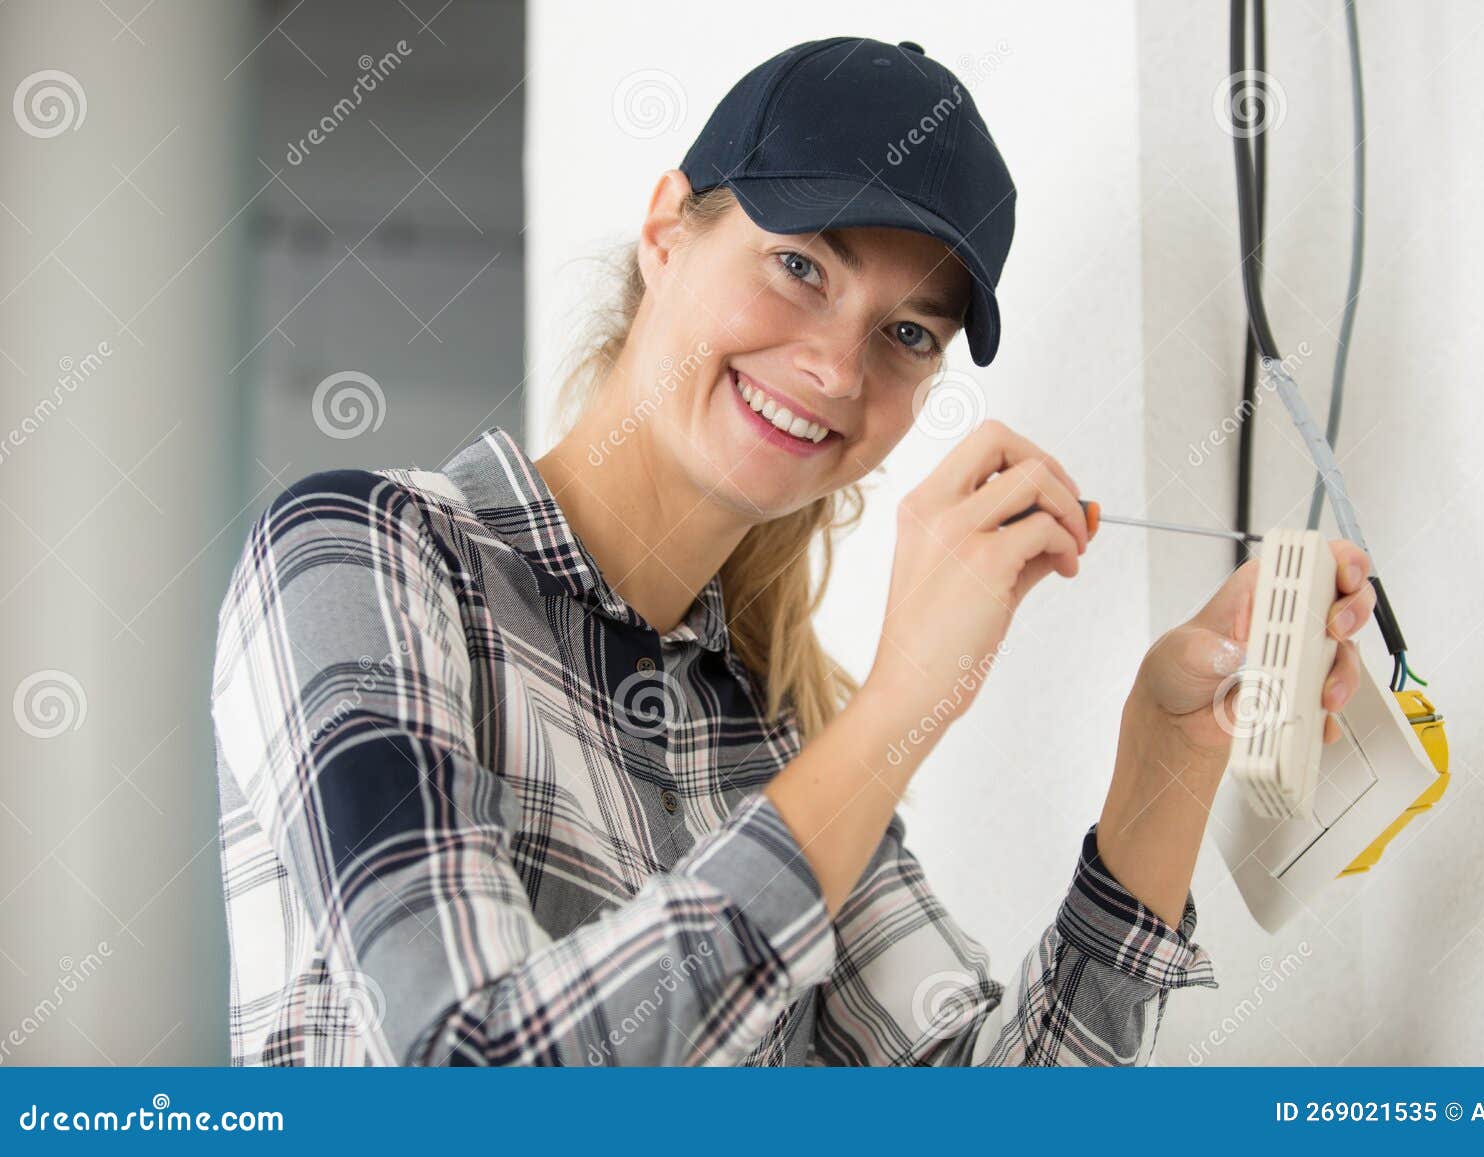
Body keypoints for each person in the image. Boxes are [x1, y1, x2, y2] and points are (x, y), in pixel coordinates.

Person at [210, 35, 1376, 1066]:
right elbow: (469, 1064)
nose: (834, 368)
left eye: (906, 332)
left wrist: (1163, 759)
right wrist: (903, 705)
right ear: (669, 229)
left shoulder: (778, 736)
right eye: (801, 264)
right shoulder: (364, 553)